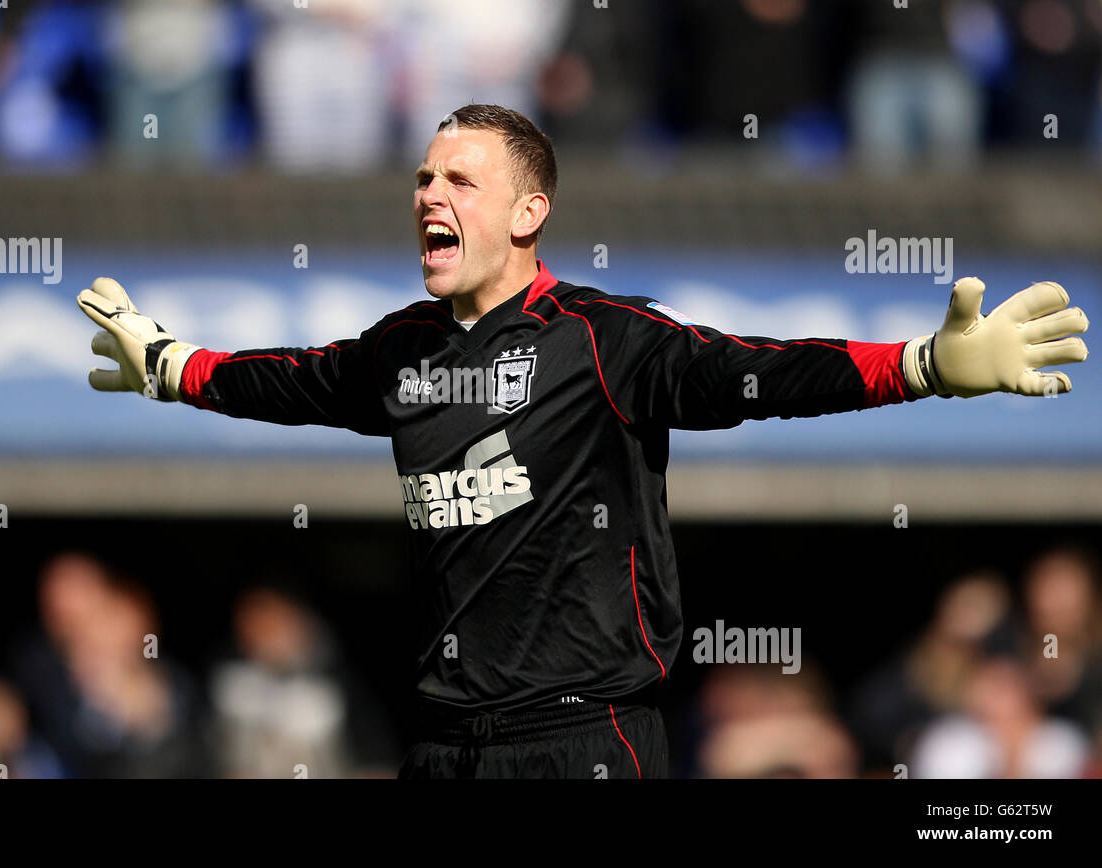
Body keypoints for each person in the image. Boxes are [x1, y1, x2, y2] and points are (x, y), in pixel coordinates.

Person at [76, 103, 1090, 779]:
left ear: (529, 210)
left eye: (460, 180)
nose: (429, 194)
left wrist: (920, 363)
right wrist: (169, 365)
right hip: (443, 748)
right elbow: (289, 381)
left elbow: (764, 371)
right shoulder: (400, 350)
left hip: (584, 741)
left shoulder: (604, 341)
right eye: (425, 178)